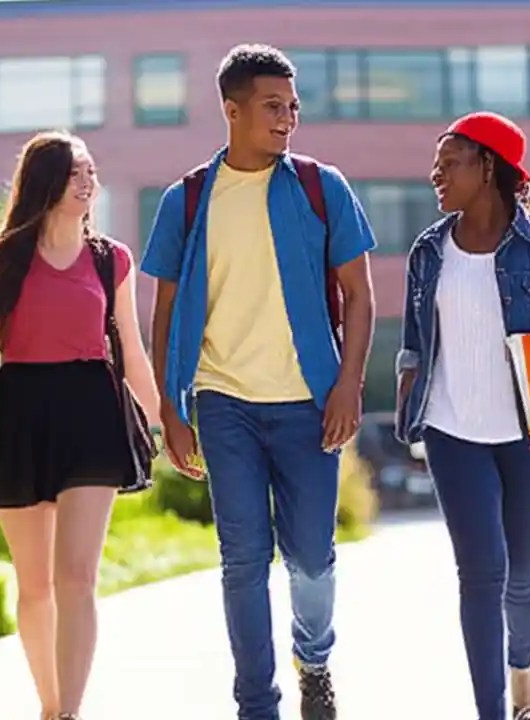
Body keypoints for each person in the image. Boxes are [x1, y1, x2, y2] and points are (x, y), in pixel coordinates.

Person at [140, 44, 376, 720]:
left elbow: (360, 295)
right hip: (223, 402)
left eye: (294, 107)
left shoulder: (319, 187)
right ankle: (256, 704)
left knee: (309, 557)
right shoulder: (186, 200)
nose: (288, 119)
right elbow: (164, 311)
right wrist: (170, 406)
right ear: (232, 110)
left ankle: (316, 660)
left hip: (308, 401)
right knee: (243, 559)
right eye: (274, 107)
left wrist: (349, 384)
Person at [0, 130, 161, 720]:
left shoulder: (110, 259)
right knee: (35, 586)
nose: (87, 182)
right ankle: (49, 704)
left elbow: (132, 353)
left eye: (91, 171)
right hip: (21, 413)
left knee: (76, 578)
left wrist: (166, 422)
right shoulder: (0, 259)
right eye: (74, 173)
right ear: (45, 182)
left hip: (91, 411)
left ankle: (70, 711)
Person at [394, 112, 530, 720]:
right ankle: (490, 710)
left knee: (524, 574)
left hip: (527, 429)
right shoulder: (429, 252)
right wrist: (411, 407)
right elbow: (413, 343)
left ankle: (523, 670)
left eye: (448, 162)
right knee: (481, 574)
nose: (435, 174)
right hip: (453, 432)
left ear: (488, 167)